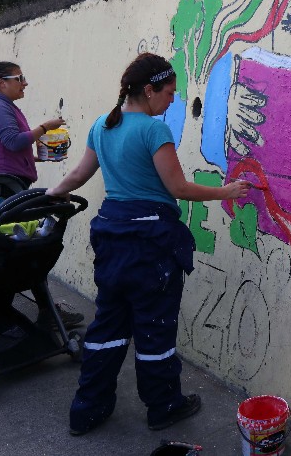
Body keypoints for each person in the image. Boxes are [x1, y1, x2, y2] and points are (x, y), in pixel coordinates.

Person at [46, 52, 251, 435]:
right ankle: (163, 406)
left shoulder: (102, 127)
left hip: (112, 236)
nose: (173, 100)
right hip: (150, 243)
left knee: (107, 326)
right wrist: (228, 191)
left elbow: (77, 174)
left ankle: (87, 411)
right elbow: (178, 188)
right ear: (148, 89)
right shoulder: (154, 131)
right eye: (169, 92)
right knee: (154, 328)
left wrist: (51, 194)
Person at [0, 61, 84, 329]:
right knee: (23, 251)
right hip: (2, 188)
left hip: (10, 183)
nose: (25, 83)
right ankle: (44, 313)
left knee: (28, 251)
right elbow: (13, 141)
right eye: (19, 78)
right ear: (2, 82)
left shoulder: (1, 105)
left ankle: (46, 312)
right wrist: (45, 127)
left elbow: (8, 146)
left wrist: (36, 158)